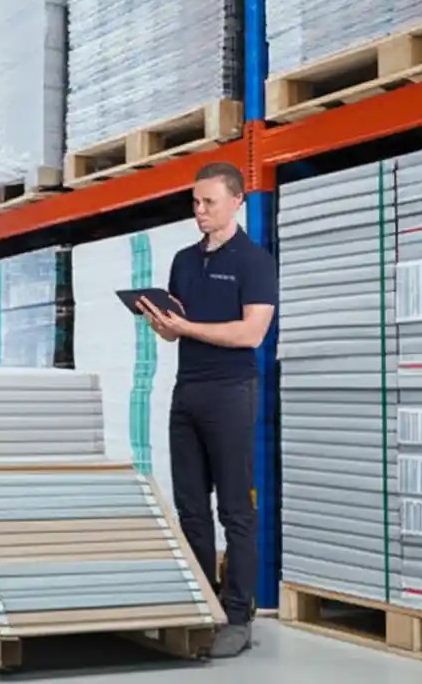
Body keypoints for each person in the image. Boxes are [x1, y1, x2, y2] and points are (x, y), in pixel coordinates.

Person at [137, 162, 277, 658]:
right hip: (188, 391)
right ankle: (202, 604)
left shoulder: (254, 262)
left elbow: (250, 334)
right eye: (195, 203)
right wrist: (164, 324)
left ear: (237, 201)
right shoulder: (182, 260)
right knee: (191, 508)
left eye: (209, 203)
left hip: (230, 393)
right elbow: (179, 327)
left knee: (235, 509)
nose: (199, 211)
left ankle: (239, 614)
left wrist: (188, 328)